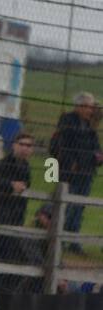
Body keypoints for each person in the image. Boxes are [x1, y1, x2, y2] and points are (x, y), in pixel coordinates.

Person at [50, 92, 102, 242]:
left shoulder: (89, 126)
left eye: (92, 108)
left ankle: (72, 239)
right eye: (88, 107)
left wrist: (98, 156)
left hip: (86, 173)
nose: (91, 111)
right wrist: (70, 162)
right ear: (79, 106)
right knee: (67, 205)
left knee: (79, 207)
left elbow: (95, 146)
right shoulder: (67, 121)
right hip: (69, 172)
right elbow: (60, 145)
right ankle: (59, 237)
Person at [0, 132, 33, 261]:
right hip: (1, 213)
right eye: (22, 144)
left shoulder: (26, 167)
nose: (25, 148)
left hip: (17, 214)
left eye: (28, 146)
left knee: (11, 250)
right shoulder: (3, 164)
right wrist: (10, 185)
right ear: (14, 146)